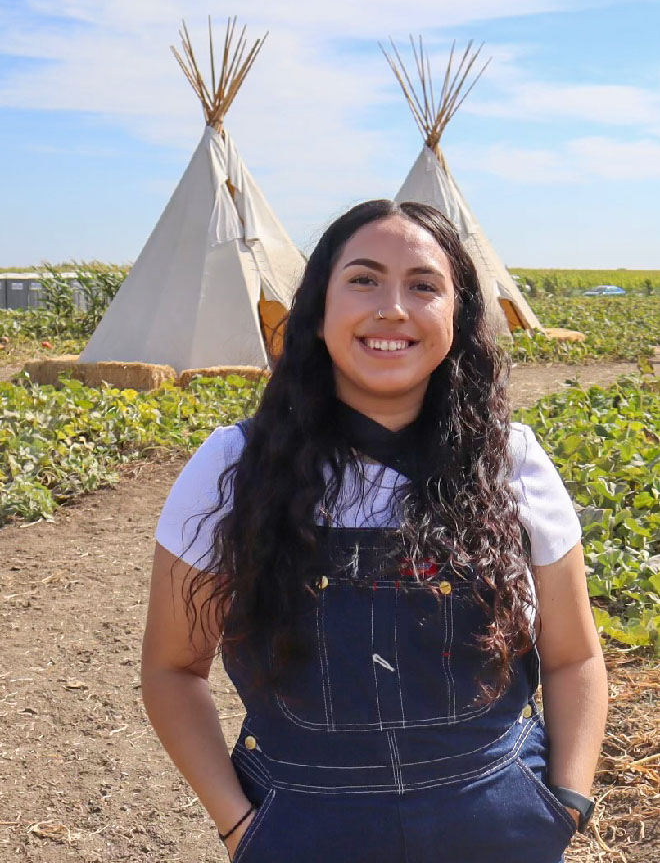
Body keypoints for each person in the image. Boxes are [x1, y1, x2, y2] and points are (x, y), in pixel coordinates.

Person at [141, 200, 609, 862]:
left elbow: (574, 657)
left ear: (459, 314)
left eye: (424, 286)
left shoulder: (513, 460)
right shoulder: (233, 467)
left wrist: (564, 803)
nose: (393, 307)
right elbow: (170, 669)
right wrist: (240, 827)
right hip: (304, 835)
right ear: (319, 308)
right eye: (363, 279)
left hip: (500, 829)